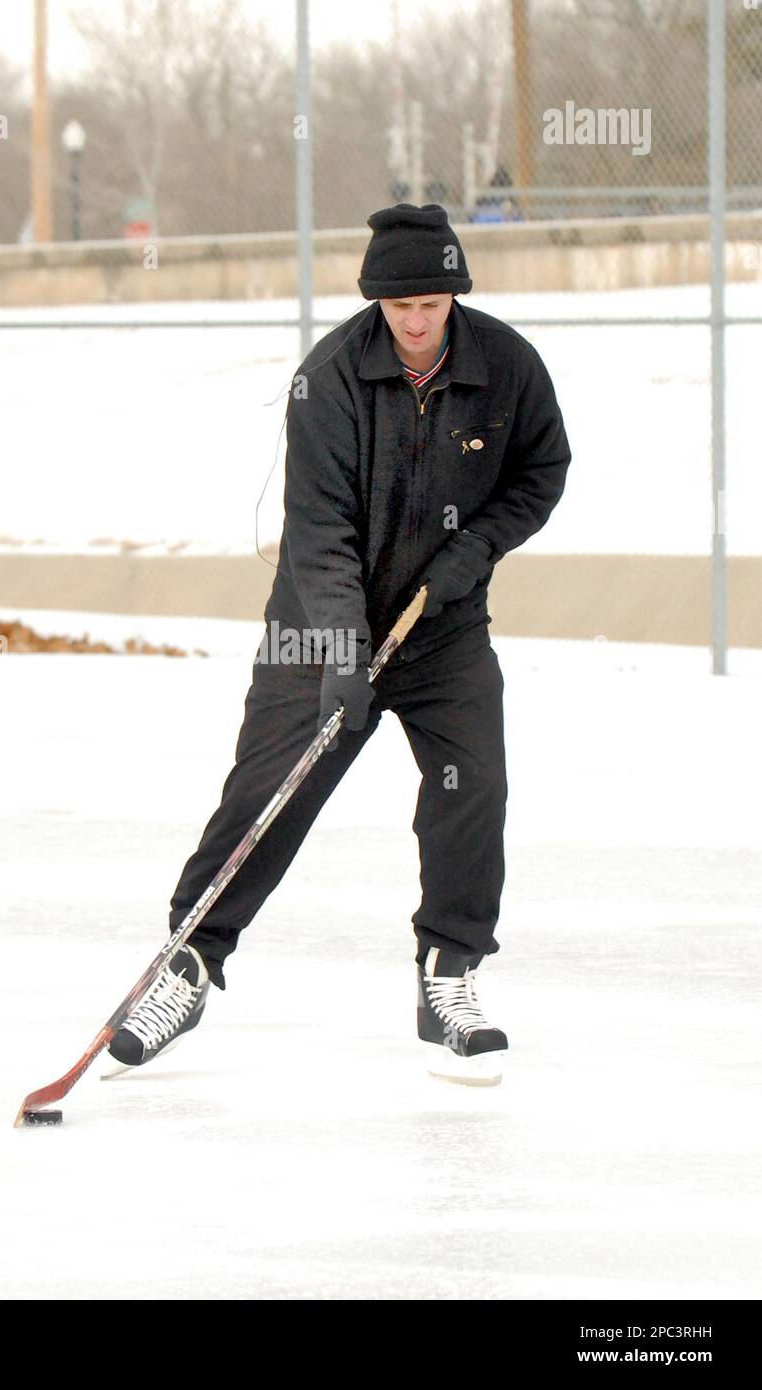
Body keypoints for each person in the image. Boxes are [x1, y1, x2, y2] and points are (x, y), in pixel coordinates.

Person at [109, 203, 571, 1084]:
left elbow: (541, 471)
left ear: (454, 294)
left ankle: (450, 970)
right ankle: (189, 961)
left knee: (472, 781)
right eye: (398, 303)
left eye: (431, 300)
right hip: (320, 624)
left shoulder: (506, 368)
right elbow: (318, 531)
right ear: (374, 301)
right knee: (270, 790)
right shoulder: (326, 380)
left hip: (441, 625)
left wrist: (471, 552)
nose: (415, 318)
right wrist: (343, 651)